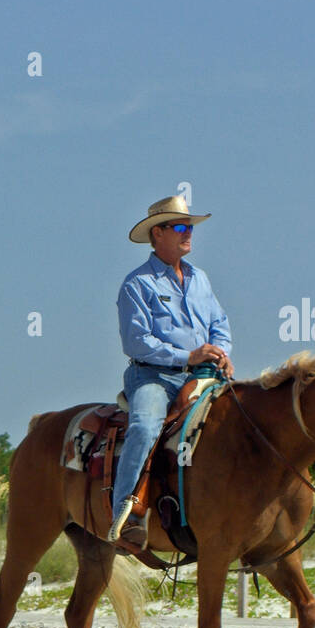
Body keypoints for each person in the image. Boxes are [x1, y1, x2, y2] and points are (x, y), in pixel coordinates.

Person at [108, 195, 234, 549]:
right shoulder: (138, 284)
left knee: (242, 419)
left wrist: (221, 352)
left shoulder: (200, 279)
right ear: (157, 234)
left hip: (203, 374)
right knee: (146, 426)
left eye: (190, 227)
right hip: (153, 377)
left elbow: (219, 323)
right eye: (180, 226)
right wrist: (187, 356)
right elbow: (137, 343)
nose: (187, 233)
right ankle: (127, 514)